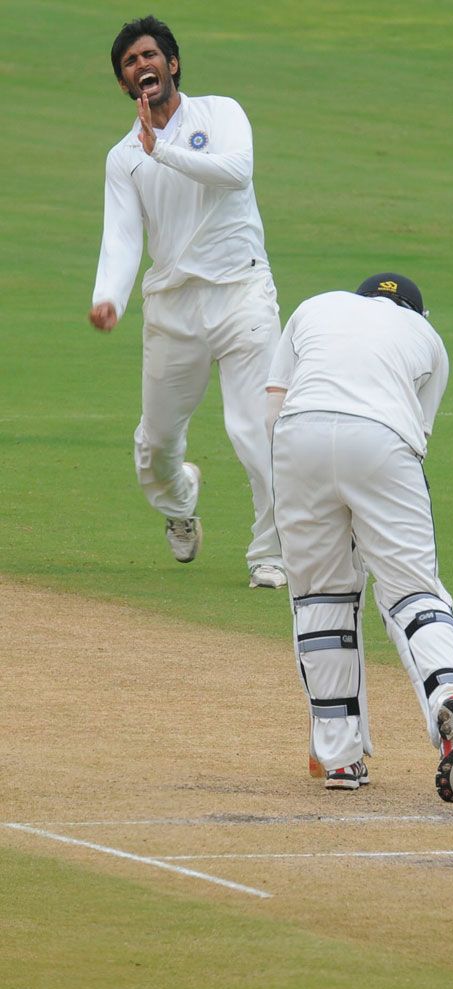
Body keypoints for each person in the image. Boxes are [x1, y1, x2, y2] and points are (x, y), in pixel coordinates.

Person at [266, 273, 453, 802]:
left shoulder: (315, 306)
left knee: (321, 594)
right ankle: (450, 696)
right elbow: (416, 435)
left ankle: (339, 756)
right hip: (383, 439)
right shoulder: (427, 338)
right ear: (415, 311)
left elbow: (273, 404)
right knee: (413, 590)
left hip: (297, 434)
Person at [88, 15, 286, 589]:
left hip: (242, 293)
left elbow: (237, 171)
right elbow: (123, 237)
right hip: (173, 310)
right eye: (129, 63)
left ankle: (270, 555)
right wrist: (108, 298)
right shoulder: (123, 157)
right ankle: (180, 507)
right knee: (156, 445)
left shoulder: (221, 113)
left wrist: (165, 151)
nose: (141, 66)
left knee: (257, 432)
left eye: (148, 55)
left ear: (171, 64)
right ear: (126, 85)